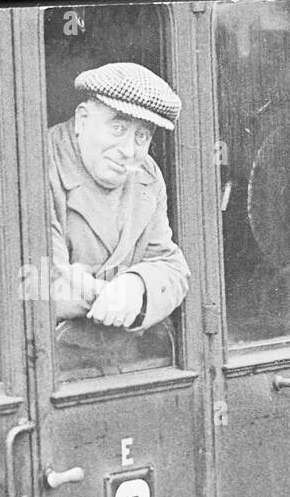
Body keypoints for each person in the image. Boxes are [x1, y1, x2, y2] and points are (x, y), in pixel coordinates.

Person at [46, 62, 190, 374]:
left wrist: (136, 285)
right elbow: (47, 282)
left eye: (142, 136)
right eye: (118, 128)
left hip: (113, 364)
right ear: (83, 119)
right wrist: (116, 294)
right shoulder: (38, 162)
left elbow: (173, 267)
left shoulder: (147, 175)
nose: (128, 150)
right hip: (44, 370)